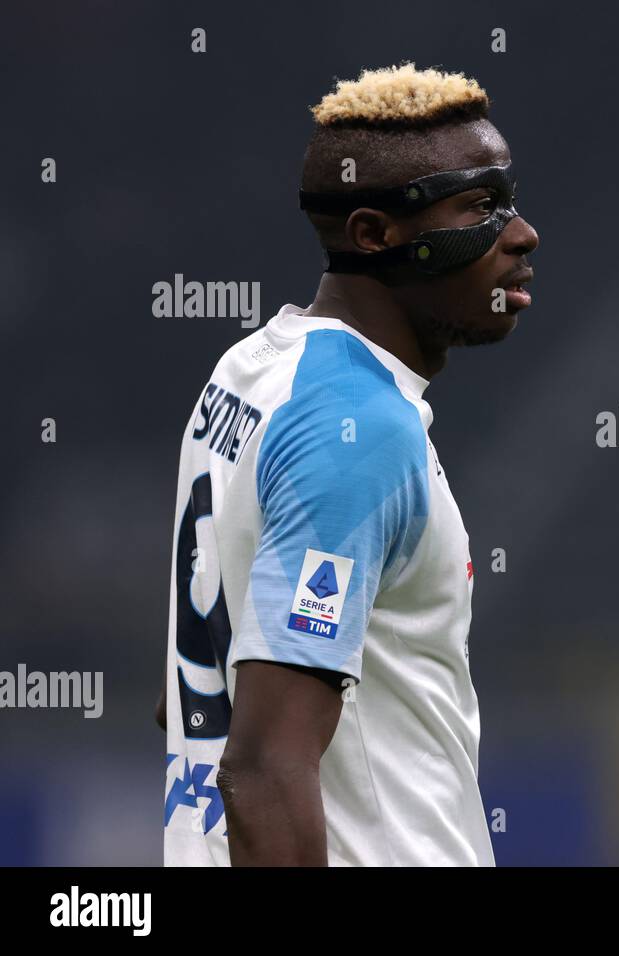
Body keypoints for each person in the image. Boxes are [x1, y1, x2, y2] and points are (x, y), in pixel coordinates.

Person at [158, 63, 539, 865]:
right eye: (481, 206)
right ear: (375, 234)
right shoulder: (358, 431)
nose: (522, 233)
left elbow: (193, 692)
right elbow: (263, 769)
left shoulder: (249, 372)